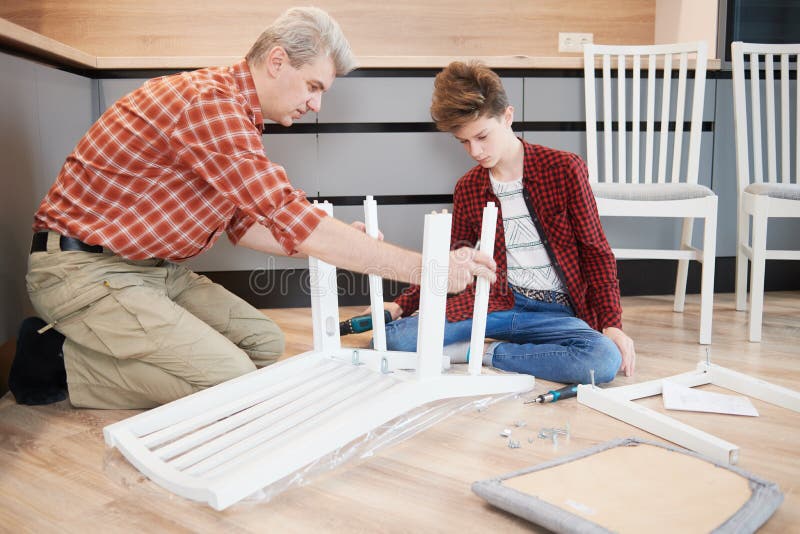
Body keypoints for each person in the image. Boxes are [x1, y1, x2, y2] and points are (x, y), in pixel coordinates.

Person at [10, 8, 495, 409]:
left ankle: (104, 346)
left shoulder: (236, 116)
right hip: (82, 271)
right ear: (277, 61)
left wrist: (335, 241)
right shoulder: (210, 105)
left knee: (264, 345)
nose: (316, 105)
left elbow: (247, 226)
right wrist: (428, 271)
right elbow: (291, 218)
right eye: (313, 86)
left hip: (149, 270)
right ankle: (54, 360)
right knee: (232, 380)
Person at [381, 61, 635, 385]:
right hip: (494, 303)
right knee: (394, 340)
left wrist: (612, 322)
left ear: (507, 116)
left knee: (602, 360)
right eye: (464, 142)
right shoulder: (469, 187)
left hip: (556, 312)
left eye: (482, 136)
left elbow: (595, 252)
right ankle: (512, 351)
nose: (475, 151)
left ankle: (483, 353)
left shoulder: (564, 169)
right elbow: (450, 261)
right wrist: (401, 305)